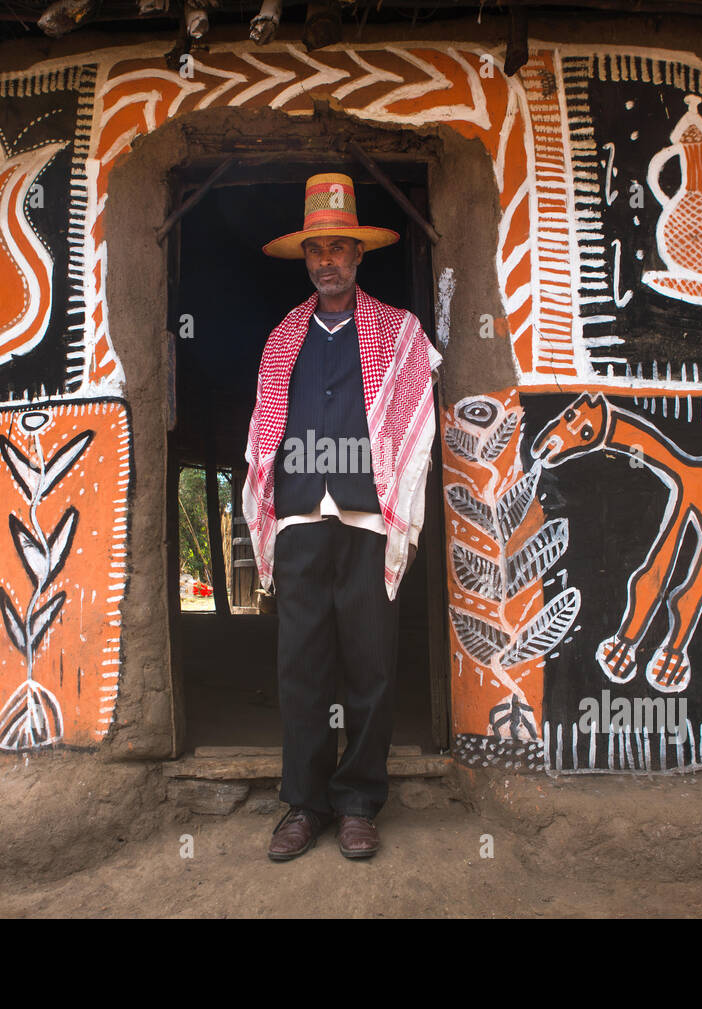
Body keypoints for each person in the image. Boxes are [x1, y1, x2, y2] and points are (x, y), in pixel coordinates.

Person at [243, 172, 442, 861]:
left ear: (360, 256)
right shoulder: (281, 338)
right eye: (317, 249)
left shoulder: (398, 332)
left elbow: (416, 430)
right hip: (300, 521)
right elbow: (264, 437)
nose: (328, 260)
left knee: (369, 667)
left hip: (367, 523)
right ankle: (305, 803)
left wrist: (397, 512)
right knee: (301, 667)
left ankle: (358, 802)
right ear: (307, 259)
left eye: (340, 248)